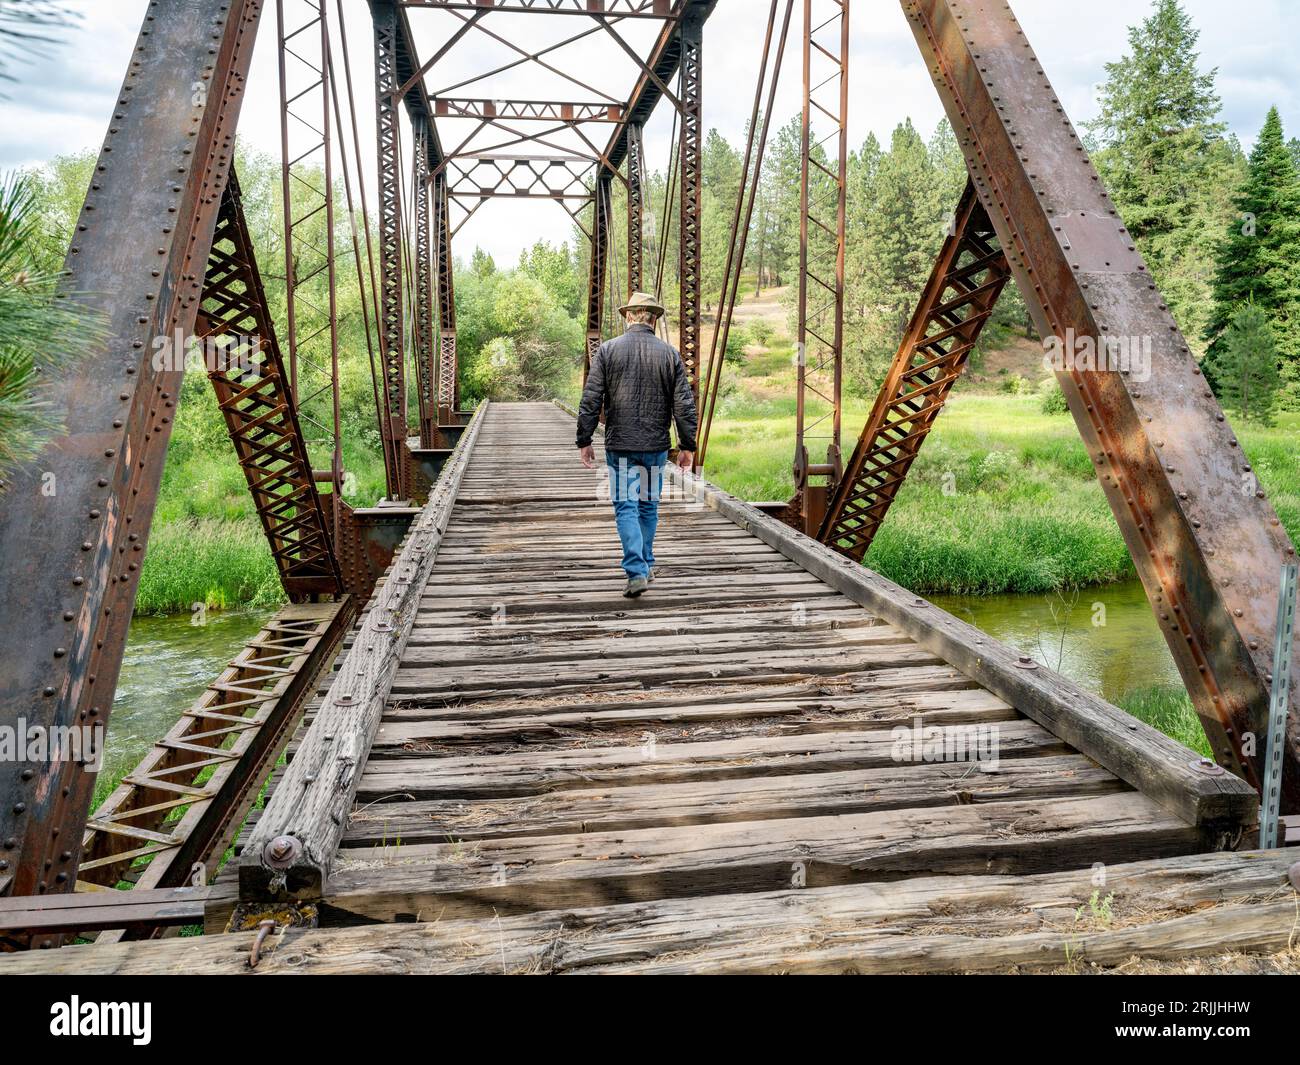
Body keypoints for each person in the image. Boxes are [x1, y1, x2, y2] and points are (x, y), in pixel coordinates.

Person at [576, 292, 698, 599]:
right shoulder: (669, 354)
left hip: (620, 446)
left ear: (629, 317)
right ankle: (645, 564)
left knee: (626, 507)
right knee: (648, 506)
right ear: (653, 318)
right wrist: (687, 446)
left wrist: (584, 439)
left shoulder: (607, 351)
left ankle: (636, 571)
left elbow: (591, 399)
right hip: (656, 445)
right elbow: (684, 404)